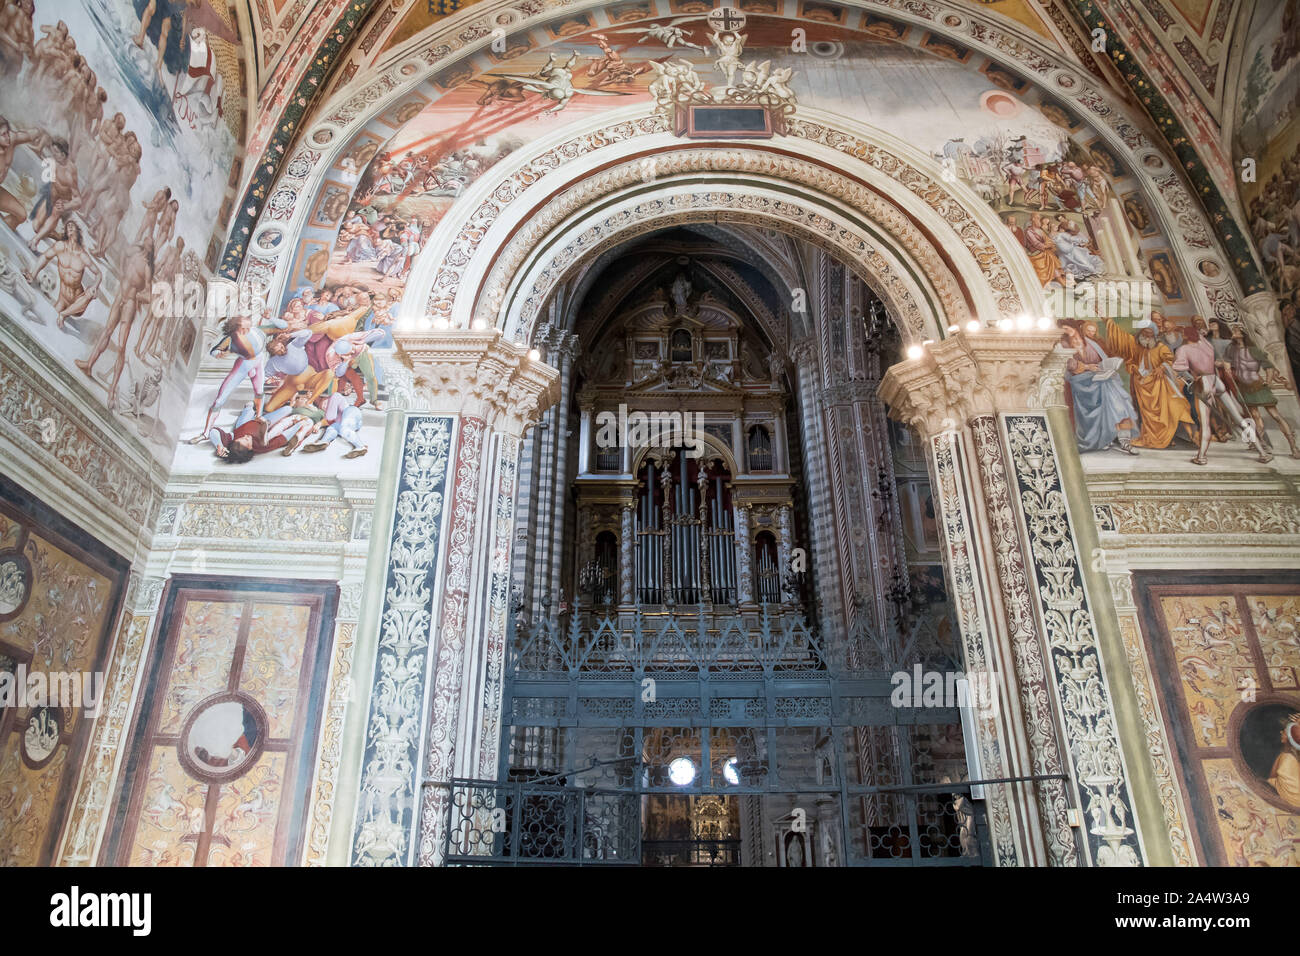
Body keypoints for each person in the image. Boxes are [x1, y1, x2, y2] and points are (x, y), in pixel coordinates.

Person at [1172, 326, 1272, 465]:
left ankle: (1201, 457)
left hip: (1203, 383)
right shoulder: (1205, 345)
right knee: (1238, 417)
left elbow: (1179, 369)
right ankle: (1263, 453)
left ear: (1185, 335)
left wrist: (1190, 378)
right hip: (1216, 381)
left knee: (1205, 423)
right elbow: (1201, 336)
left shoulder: (1183, 350)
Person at [75, 235, 153, 406]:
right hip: (120, 297)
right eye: (146, 241)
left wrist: (137, 296)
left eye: (149, 243)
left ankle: (112, 390)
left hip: (130, 303)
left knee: (121, 347)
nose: (148, 242)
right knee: (106, 332)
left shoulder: (147, 268)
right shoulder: (135, 254)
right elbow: (124, 254)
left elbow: (148, 294)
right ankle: (89, 364)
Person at [1102, 317, 1194, 448]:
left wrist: (1161, 368)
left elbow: (1169, 360)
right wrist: (1108, 322)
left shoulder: (1160, 347)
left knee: (1168, 409)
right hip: (1142, 384)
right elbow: (1122, 339)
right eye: (1144, 332)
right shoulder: (1136, 346)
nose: (1147, 335)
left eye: (1150, 333)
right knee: (1147, 414)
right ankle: (1151, 436)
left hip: (1159, 384)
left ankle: (1172, 437)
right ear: (1141, 333)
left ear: (1154, 334)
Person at [1061, 321, 1139, 454]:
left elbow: (1102, 359)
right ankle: (1105, 439)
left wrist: (1107, 368)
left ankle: (1125, 440)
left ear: (1074, 328)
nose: (1065, 331)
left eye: (1067, 328)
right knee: (1109, 404)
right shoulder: (1063, 344)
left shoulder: (1090, 343)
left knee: (1119, 404)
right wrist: (1086, 367)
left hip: (1100, 378)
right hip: (1081, 382)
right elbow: (1068, 363)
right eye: (1063, 329)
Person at [1224, 324, 1300, 457]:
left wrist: (1268, 381)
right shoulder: (1231, 349)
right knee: (1255, 417)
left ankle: (1293, 447)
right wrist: (1227, 368)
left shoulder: (1254, 350)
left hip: (1258, 386)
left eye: (1236, 330)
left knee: (1276, 416)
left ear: (1242, 333)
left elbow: (1268, 367)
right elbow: (1226, 363)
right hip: (1244, 387)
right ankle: (1262, 446)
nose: (1234, 332)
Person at [22, 220, 100, 328]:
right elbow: (45, 257)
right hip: (63, 298)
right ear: (66, 232)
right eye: (68, 226)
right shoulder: (60, 246)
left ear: (78, 232)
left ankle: (64, 314)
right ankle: (61, 313)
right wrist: (33, 275)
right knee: (49, 320)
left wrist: (95, 286)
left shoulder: (83, 256)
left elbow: (98, 274)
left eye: (73, 226)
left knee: (90, 293)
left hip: (77, 302)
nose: (70, 227)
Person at [301, 388, 368, 459]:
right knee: (332, 428)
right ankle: (323, 442)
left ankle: (361, 446)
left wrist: (320, 423)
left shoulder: (336, 397)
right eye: (323, 408)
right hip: (349, 424)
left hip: (352, 412)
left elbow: (330, 416)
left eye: (325, 403)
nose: (325, 407)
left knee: (343, 427)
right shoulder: (335, 417)